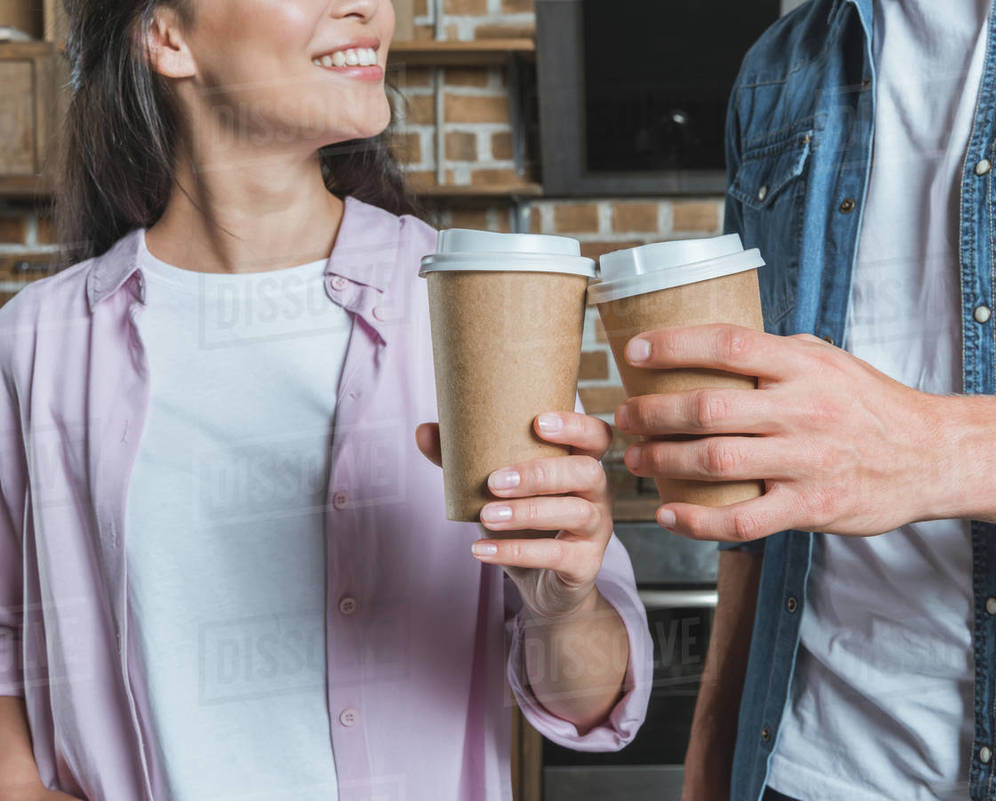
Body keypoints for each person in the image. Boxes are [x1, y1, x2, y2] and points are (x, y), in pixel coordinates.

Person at [0, 1, 651, 799]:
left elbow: (583, 701)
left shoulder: (475, 309)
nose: (370, 7)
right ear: (168, 37)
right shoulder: (39, 344)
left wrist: (564, 605)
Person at [613, 1, 996, 800]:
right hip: (805, 771)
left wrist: (923, 447)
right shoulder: (777, 69)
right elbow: (755, 500)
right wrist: (712, 753)